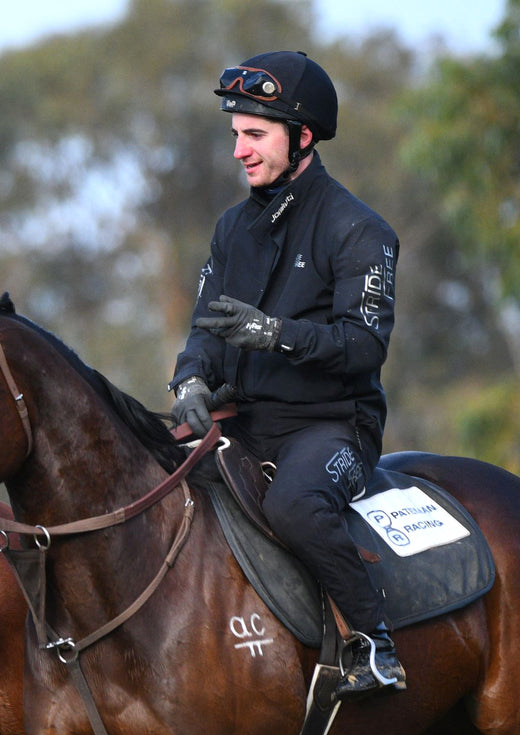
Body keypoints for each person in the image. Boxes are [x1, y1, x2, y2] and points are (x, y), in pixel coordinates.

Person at [168, 51, 405, 701]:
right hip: (243, 424)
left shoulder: (360, 230)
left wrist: (276, 335)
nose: (239, 151)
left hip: (331, 430)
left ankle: (372, 640)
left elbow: (364, 347)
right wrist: (189, 380)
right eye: (235, 135)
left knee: (296, 506)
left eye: (254, 135)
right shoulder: (230, 229)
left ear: (302, 137)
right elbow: (205, 328)